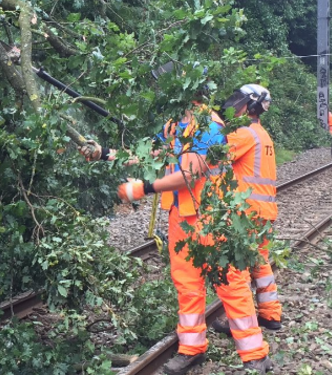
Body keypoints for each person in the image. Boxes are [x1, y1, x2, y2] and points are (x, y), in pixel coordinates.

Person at [84, 66, 274, 374]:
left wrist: (141, 189)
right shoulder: (175, 124)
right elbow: (150, 156)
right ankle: (191, 348)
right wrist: (104, 153)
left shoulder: (209, 125)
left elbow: (190, 173)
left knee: (231, 284)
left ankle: (255, 356)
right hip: (182, 217)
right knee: (186, 285)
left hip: (212, 217)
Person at [210, 85, 281, 335]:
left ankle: (242, 324)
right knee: (260, 262)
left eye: (239, 101)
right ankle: (271, 314)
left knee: (235, 269)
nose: (234, 105)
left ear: (249, 106)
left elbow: (214, 156)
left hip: (246, 213)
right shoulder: (262, 133)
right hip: (264, 211)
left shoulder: (243, 134)